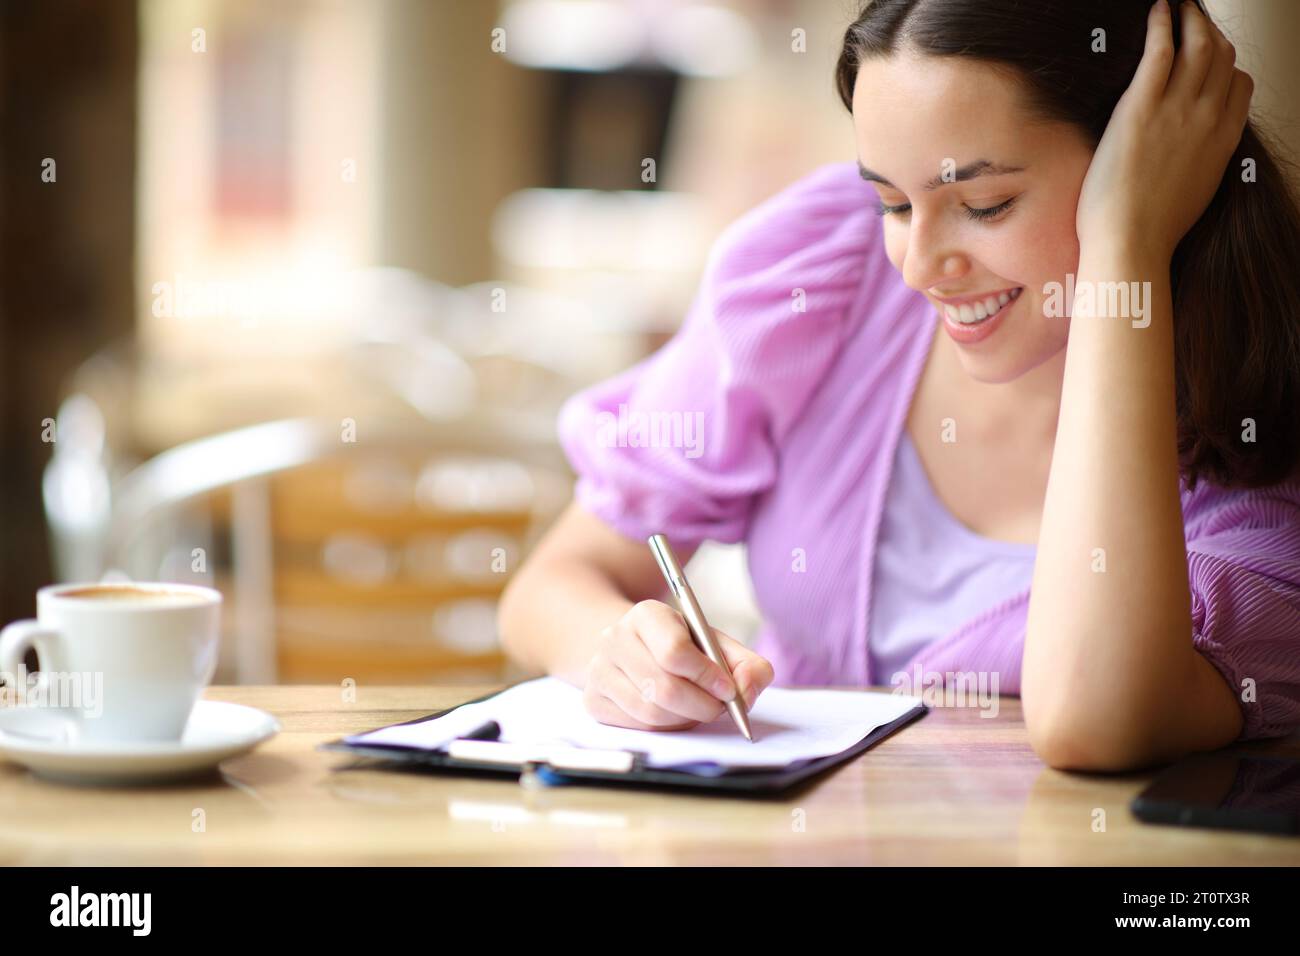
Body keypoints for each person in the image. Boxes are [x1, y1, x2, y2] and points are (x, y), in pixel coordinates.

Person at [498, 0, 1300, 772]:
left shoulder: (1263, 454)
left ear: (1157, 165)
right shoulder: (823, 271)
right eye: (892, 201)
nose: (920, 267)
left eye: (985, 205)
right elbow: (556, 581)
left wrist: (1126, 254)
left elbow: (1101, 719)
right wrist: (618, 653)